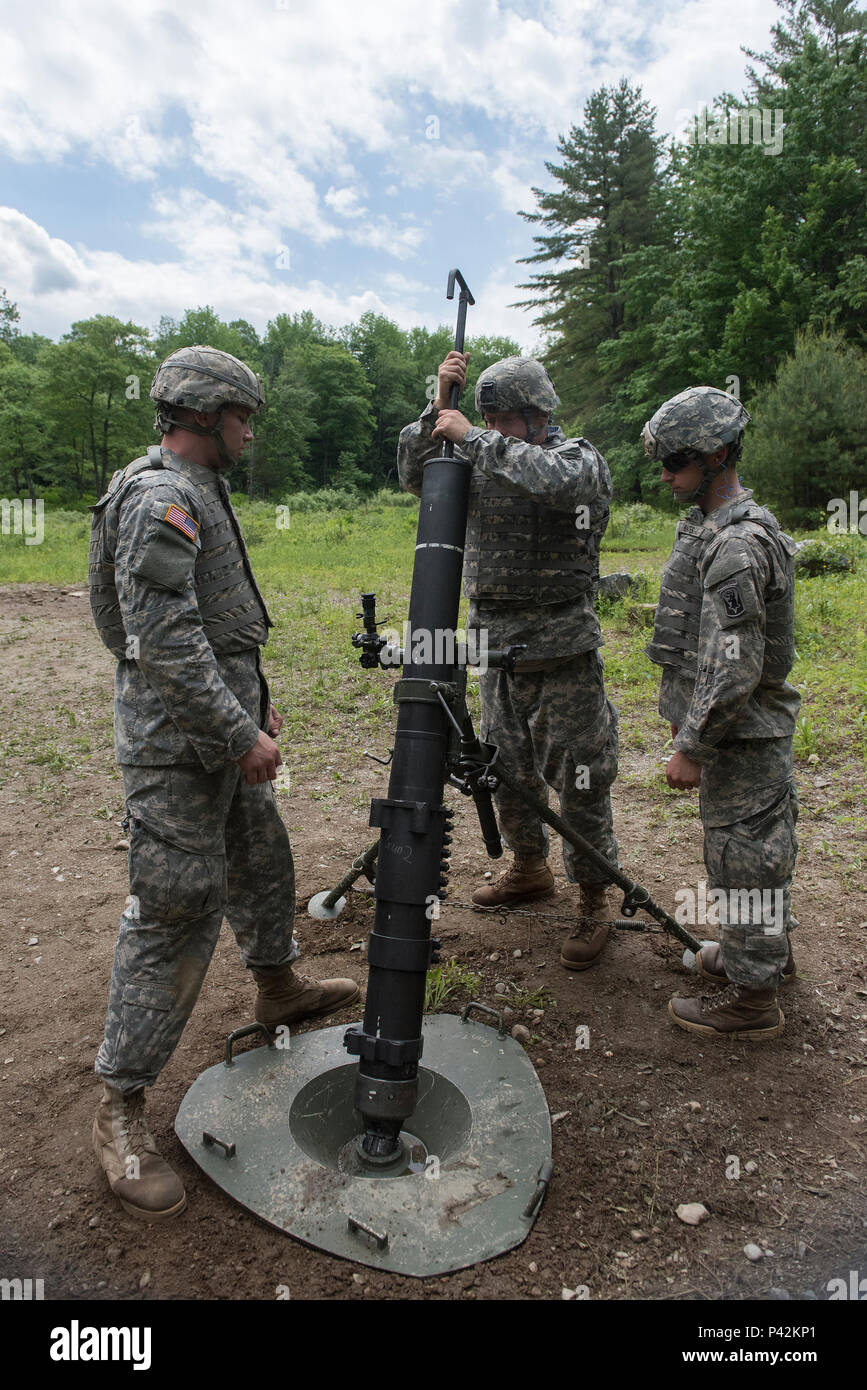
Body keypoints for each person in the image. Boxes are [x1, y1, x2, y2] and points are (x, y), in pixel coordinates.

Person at [88, 345, 359, 1219]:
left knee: (262, 860)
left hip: (217, 730)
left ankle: (277, 983)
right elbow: (157, 639)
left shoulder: (200, 491)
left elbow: (212, 625)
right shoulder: (162, 496)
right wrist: (231, 727)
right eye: (242, 415)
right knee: (176, 909)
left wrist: (250, 709)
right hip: (176, 750)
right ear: (204, 417)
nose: (250, 429)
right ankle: (119, 1108)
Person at [397, 353, 619, 971]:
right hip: (494, 646)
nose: (490, 427)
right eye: (485, 416)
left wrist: (476, 437)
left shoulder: (578, 461)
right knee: (506, 770)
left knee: (578, 777)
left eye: (502, 419)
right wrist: (436, 405)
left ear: (538, 415)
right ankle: (529, 867)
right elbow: (415, 476)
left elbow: (558, 483)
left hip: (560, 650)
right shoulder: (483, 455)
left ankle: (595, 896)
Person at [642, 386, 801, 1040]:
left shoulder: (736, 545)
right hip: (740, 736)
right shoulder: (715, 527)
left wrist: (692, 745)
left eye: (674, 459)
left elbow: (734, 665)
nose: (663, 473)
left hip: (740, 737)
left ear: (715, 455)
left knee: (742, 858)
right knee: (751, 854)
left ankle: (751, 1000)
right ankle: (756, 957)